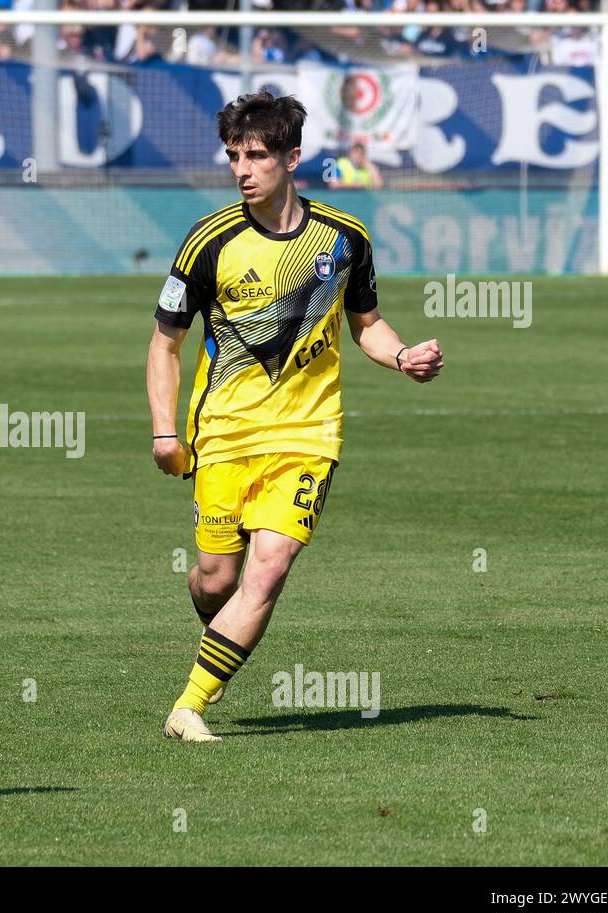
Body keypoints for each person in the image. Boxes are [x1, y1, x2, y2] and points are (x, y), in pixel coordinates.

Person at [146, 91, 444, 743]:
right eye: (233, 156)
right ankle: (221, 630)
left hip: (309, 435)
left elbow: (366, 325)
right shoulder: (209, 242)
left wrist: (402, 357)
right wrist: (165, 432)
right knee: (216, 579)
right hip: (222, 435)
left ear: (292, 159)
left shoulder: (343, 238)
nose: (242, 169)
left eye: (256, 155)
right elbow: (164, 343)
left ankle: (188, 705)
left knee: (271, 566)